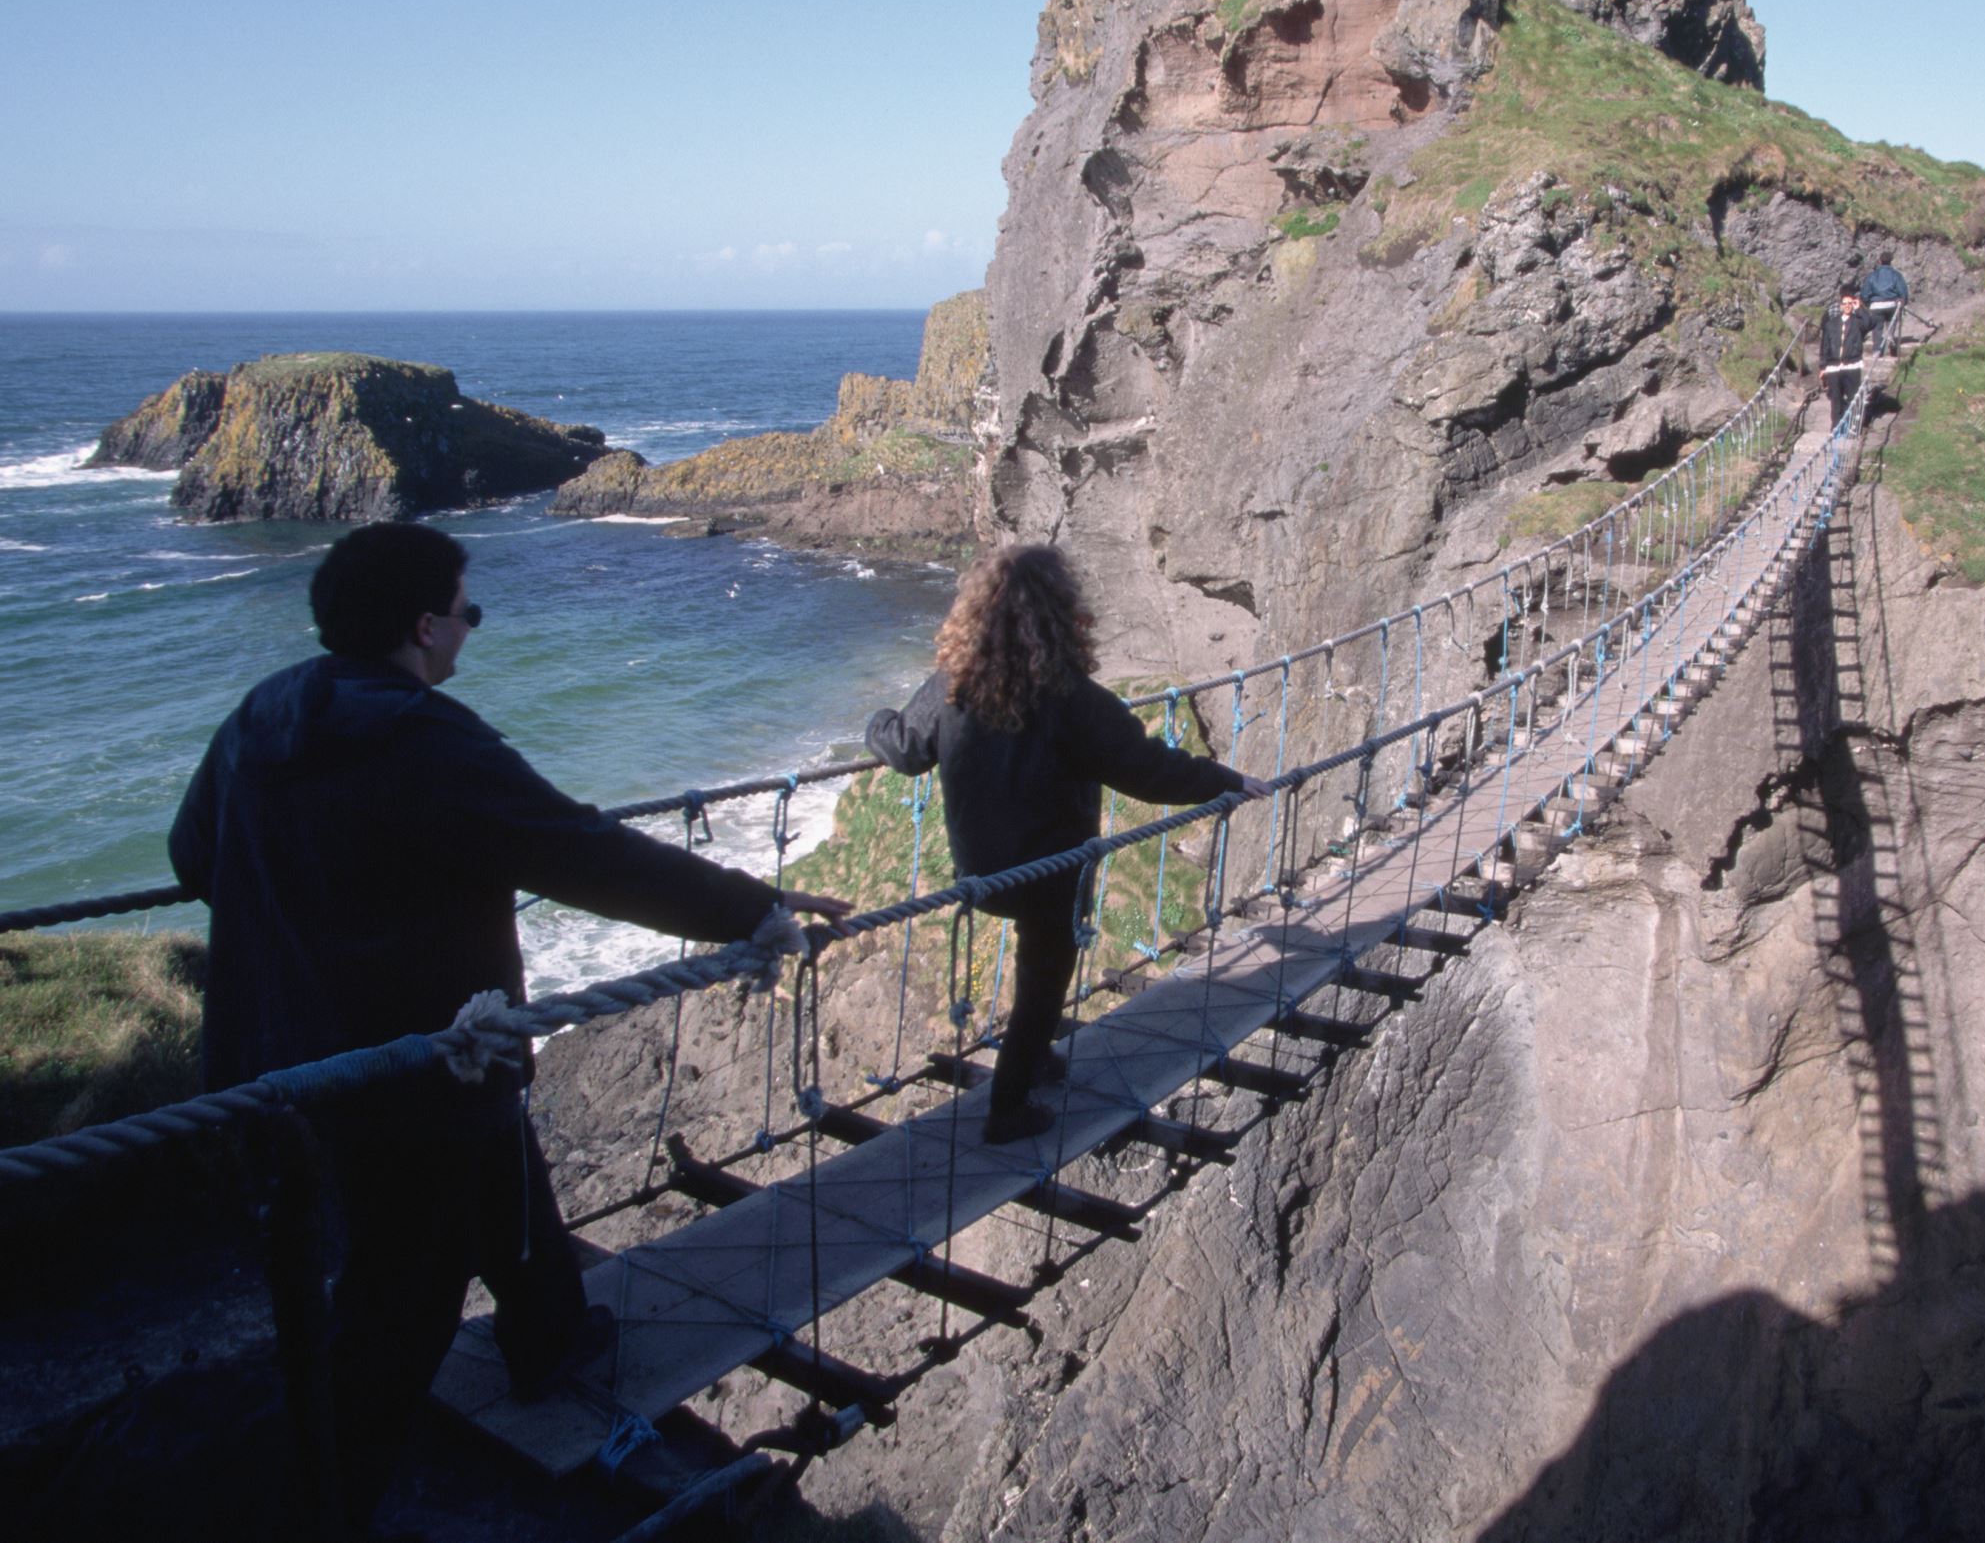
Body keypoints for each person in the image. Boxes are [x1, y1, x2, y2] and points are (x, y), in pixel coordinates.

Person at [170, 521, 851, 1534]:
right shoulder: (423, 738)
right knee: (400, 1303)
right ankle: (328, 1505)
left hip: (283, 1061)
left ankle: (548, 1338)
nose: (473, 632)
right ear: (425, 627)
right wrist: (750, 911)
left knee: (502, 1174)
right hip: (412, 1072)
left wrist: (320, 921)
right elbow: (579, 850)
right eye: (469, 611)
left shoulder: (257, 719)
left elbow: (193, 857)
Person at [866, 545, 1267, 1144]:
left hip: (983, 871)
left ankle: (1037, 1058)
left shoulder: (954, 684)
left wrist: (873, 721)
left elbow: (904, 749)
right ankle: (1006, 1112)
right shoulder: (1073, 699)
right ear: (1063, 616)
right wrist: (1228, 780)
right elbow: (1146, 770)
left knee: (1039, 982)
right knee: (1043, 980)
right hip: (1053, 870)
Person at [1818, 286, 1869, 416]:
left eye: (1849, 303)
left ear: (1853, 303)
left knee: (1852, 397)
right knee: (1836, 398)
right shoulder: (1831, 324)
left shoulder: (1857, 321)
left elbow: (1869, 324)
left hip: (1852, 363)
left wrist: (1859, 309)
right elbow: (1825, 344)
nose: (1847, 306)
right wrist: (1823, 366)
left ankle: (1851, 425)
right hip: (1834, 365)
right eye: (1844, 303)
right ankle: (1835, 428)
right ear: (1840, 305)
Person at [1858, 250, 1909, 354]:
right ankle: (1890, 337)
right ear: (1891, 261)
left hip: (1876, 305)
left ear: (1879, 261)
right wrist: (1904, 301)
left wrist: (1867, 303)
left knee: (1877, 328)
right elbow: (1902, 291)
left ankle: (1877, 349)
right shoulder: (1896, 275)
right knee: (1892, 320)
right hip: (1892, 303)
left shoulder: (1872, 276)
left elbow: (1865, 294)